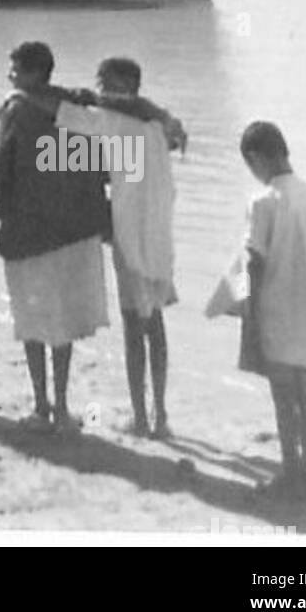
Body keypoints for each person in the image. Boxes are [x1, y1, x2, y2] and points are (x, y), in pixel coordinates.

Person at [52, 57, 183, 438]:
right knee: (155, 323)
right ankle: (161, 414)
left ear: (124, 85)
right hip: (160, 236)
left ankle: (141, 418)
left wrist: (19, 100)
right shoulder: (158, 127)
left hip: (129, 235)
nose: (100, 89)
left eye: (104, 82)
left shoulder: (111, 124)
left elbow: (56, 149)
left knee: (133, 326)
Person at [0, 42, 112, 433]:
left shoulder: (16, 112)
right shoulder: (75, 113)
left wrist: (7, 216)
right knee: (63, 322)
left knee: (33, 321)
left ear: (30, 74)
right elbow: (102, 168)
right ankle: (61, 407)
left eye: (14, 70)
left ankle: (42, 405)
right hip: (73, 233)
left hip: (29, 234)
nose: (9, 77)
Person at [240, 121, 306, 500]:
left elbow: (255, 262)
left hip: (278, 307)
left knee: (283, 396)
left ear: (256, 158)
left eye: (250, 165)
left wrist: (250, 318)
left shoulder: (262, 201)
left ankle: (290, 472)